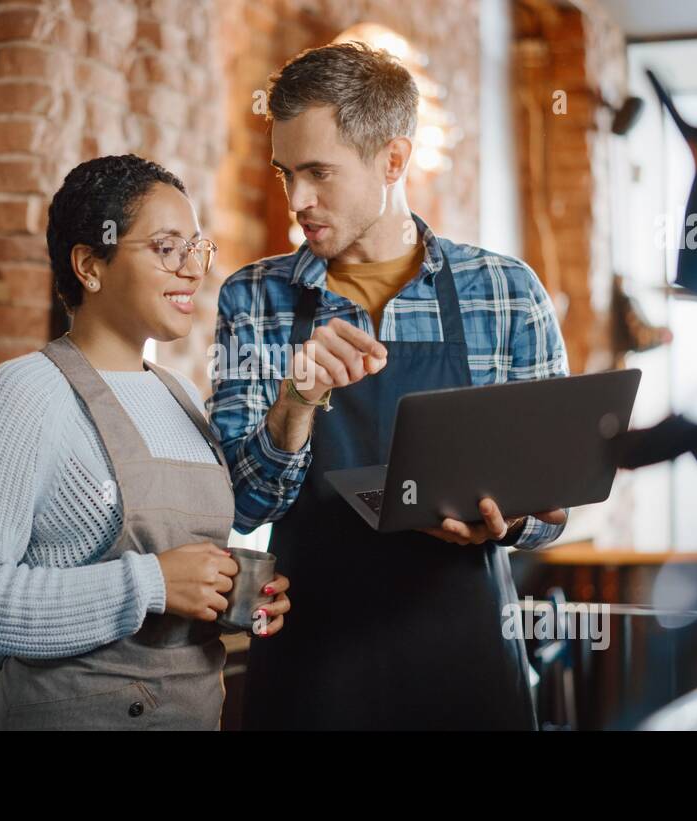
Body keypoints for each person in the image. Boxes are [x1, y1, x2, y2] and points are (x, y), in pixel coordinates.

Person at [208, 43, 569, 730]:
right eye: (287, 173)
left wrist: (513, 519)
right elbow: (243, 502)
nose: (298, 200)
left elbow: (553, 504)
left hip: (468, 664)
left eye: (319, 172)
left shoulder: (504, 291)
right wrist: (296, 401)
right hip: (314, 666)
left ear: (393, 161)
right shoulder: (254, 298)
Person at [0, 154, 290, 730]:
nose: (192, 269)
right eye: (167, 248)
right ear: (90, 264)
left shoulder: (183, 401)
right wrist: (149, 583)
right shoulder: (24, 392)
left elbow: (181, 592)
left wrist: (232, 600)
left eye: (196, 248)